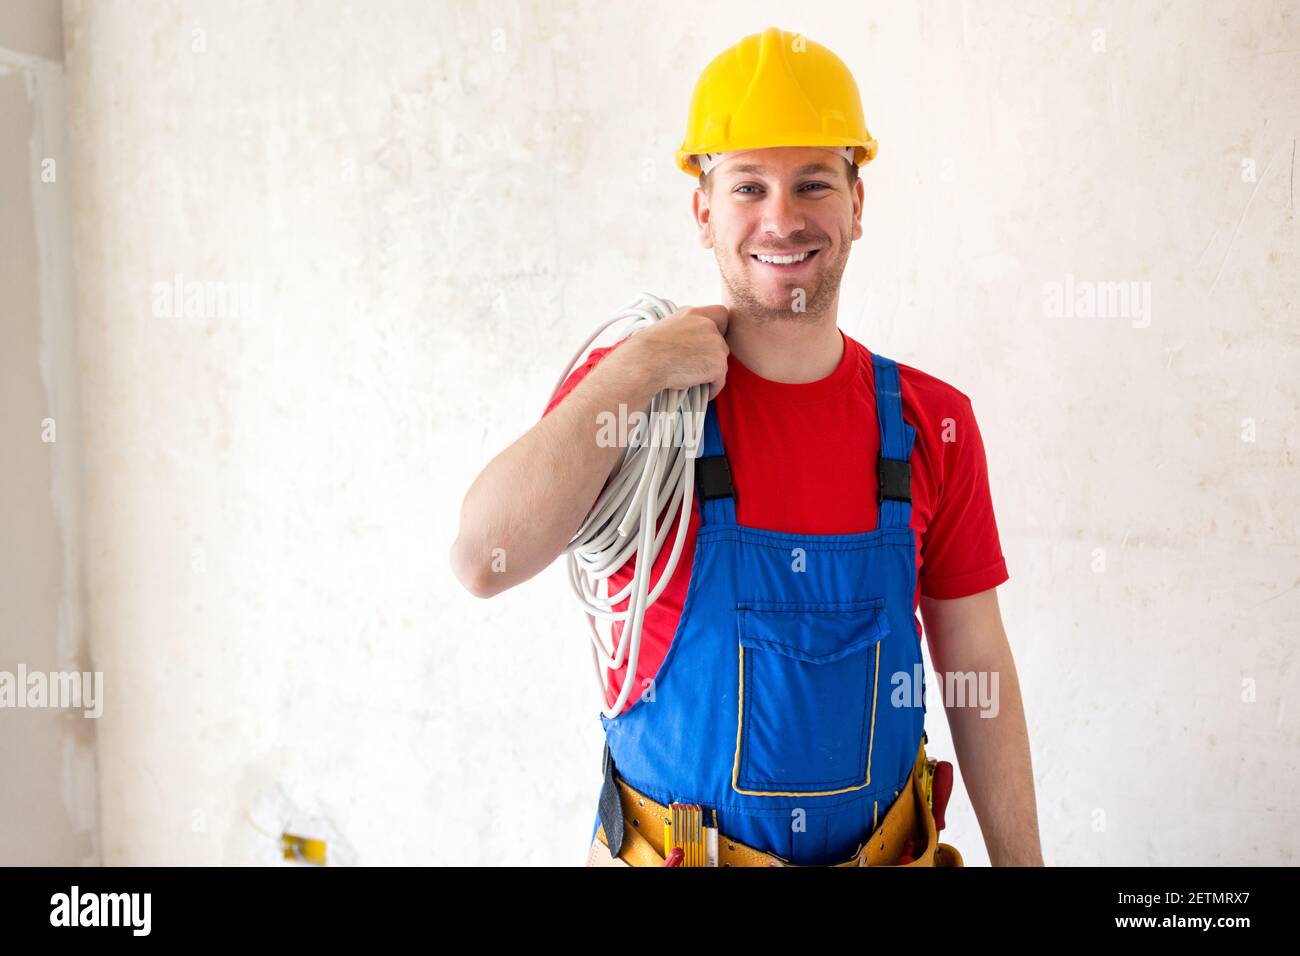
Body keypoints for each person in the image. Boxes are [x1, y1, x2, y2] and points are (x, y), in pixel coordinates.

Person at [451, 26, 1044, 867]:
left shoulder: (930, 422)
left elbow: (976, 666)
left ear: (857, 205)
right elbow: (483, 560)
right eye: (747, 186)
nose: (782, 218)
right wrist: (638, 371)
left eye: (812, 183)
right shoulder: (635, 402)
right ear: (703, 212)